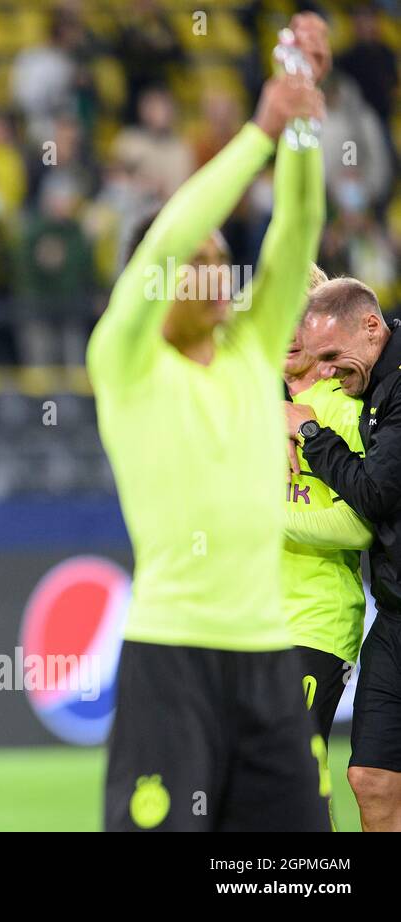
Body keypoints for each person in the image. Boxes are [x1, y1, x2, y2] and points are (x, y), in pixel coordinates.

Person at [89, 14, 330, 831]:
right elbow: (169, 235)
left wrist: (299, 123)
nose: (217, 269)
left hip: (267, 658)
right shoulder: (124, 358)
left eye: (225, 256)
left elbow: (297, 234)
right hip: (171, 660)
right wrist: (257, 135)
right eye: (202, 261)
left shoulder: (250, 354)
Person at [291, 276, 401, 831]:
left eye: (332, 355)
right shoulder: (249, 406)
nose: (328, 367)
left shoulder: (350, 405)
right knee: (369, 778)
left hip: (314, 620)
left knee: (293, 771)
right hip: (245, 618)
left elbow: (369, 508)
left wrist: (308, 432)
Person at [280, 266, 368, 776]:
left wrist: (269, 516)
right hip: (254, 625)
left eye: (304, 319)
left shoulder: (342, 414)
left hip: (314, 623)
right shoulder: (261, 411)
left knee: (291, 781)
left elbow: (361, 524)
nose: (290, 333)